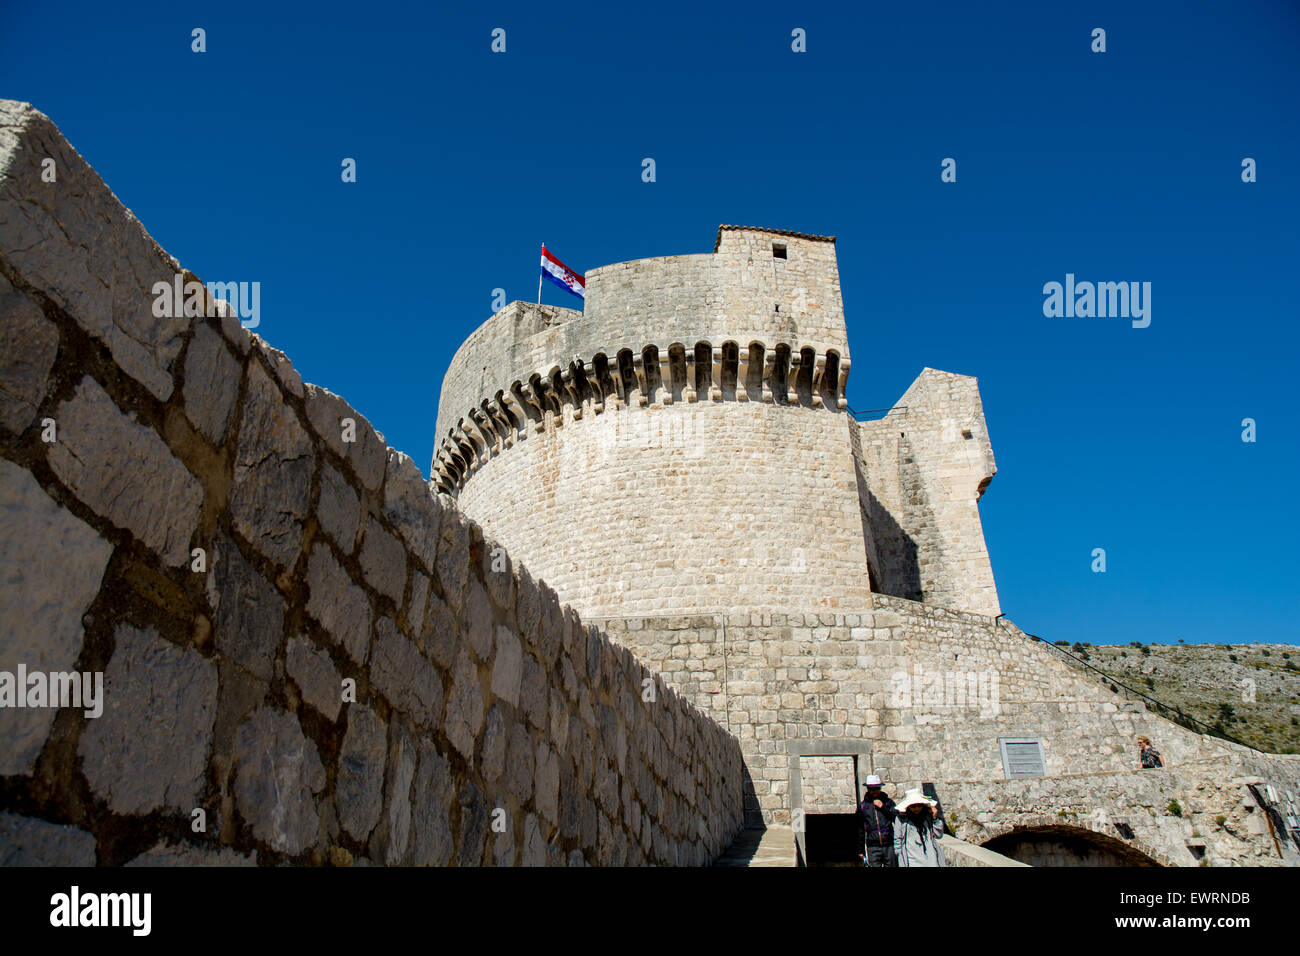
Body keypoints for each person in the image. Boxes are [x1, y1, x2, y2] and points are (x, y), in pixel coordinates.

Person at [893, 788, 946, 867]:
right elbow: (897, 840)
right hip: (911, 861)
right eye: (913, 806)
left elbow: (938, 835)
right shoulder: (901, 820)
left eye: (919, 805)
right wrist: (900, 857)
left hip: (931, 860)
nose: (917, 808)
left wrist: (935, 818)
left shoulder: (928, 817)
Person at [856, 774, 897, 867]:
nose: (874, 791)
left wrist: (883, 807)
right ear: (868, 789)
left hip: (889, 844)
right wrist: (861, 849)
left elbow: (896, 819)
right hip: (873, 846)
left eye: (877, 788)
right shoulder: (863, 806)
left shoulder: (888, 803)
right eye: (872, 789)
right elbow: (860, 828)